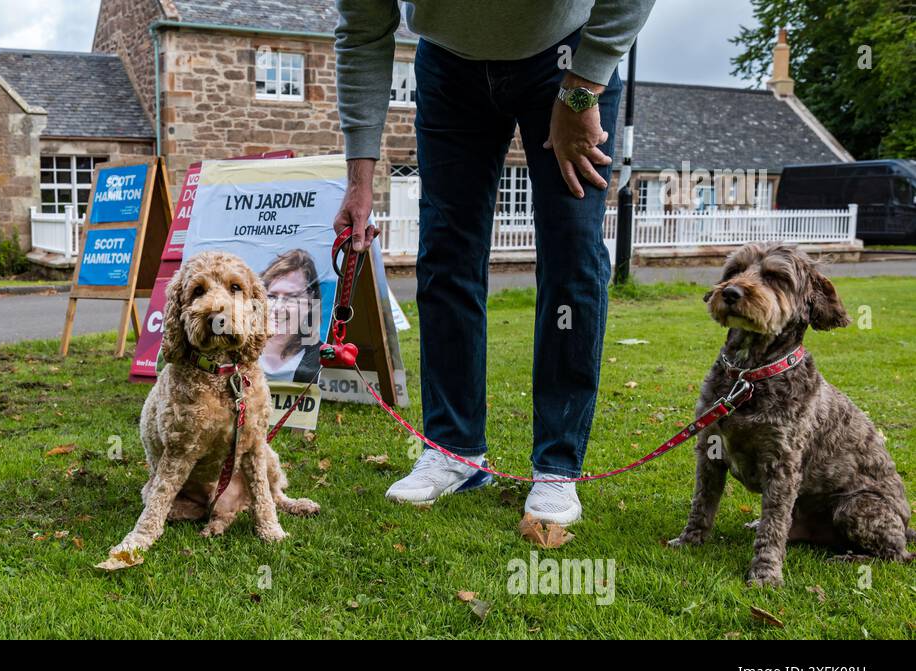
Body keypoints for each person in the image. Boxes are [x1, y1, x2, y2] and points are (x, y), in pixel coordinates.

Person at [334, 1, 656, 523]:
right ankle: (455, 450)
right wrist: (359, 182)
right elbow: (363, 34)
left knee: (571, 254)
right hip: (446, 65)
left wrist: (583, 87)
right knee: (445, 254)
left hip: (565, 58)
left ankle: (556, 466)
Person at [259, 249, 323, 383]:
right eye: (271, 296)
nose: (278, 308)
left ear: (310, 303)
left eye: (292, 297)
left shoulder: (322, 359)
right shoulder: (239, 353)